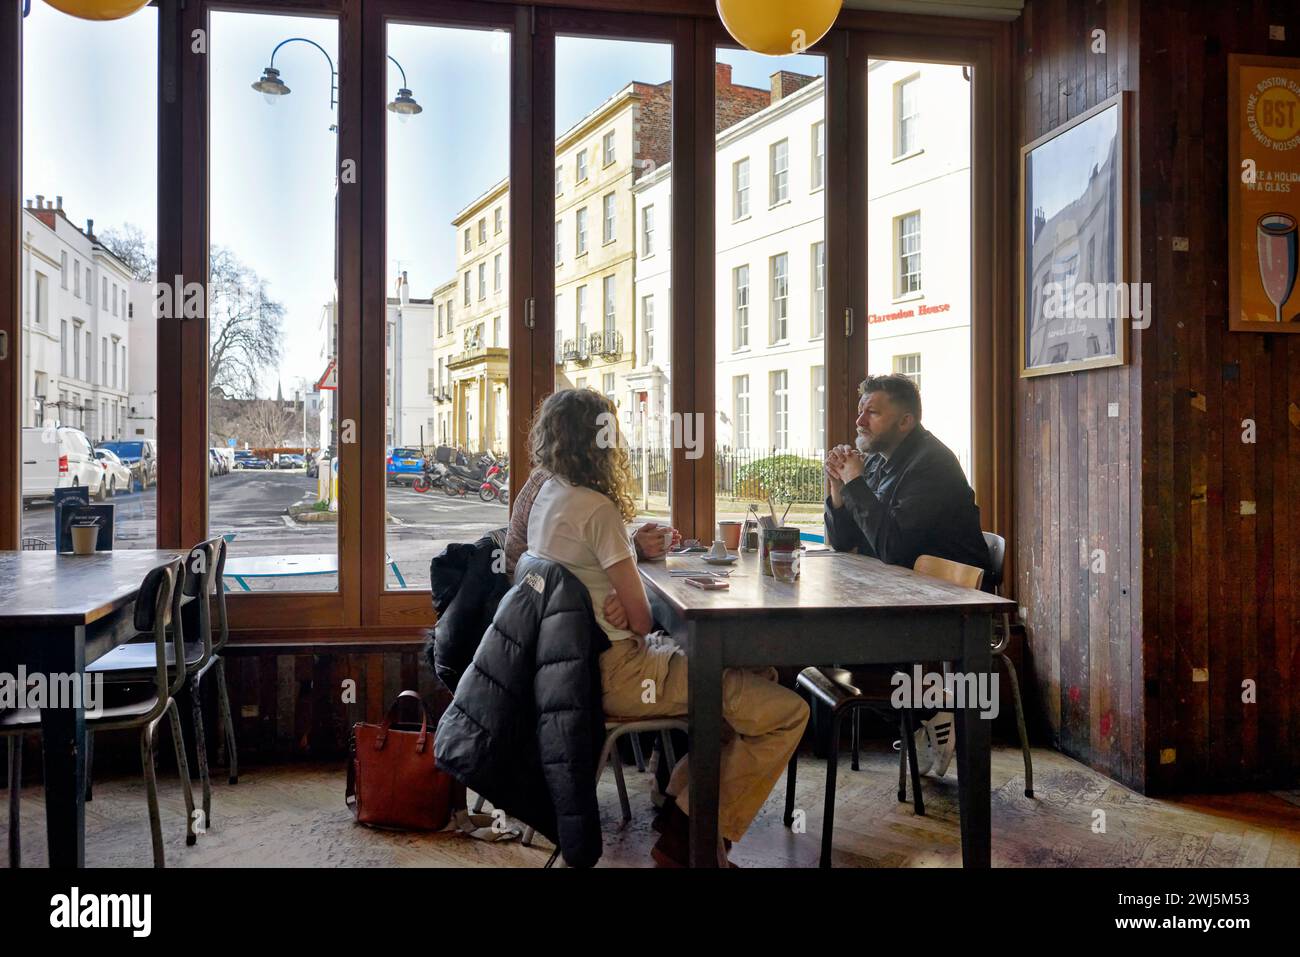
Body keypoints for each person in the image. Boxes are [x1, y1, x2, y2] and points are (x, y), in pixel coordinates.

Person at [523, 389, 809, 867]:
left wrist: (613, 588)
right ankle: (690, 835)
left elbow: (610, 593)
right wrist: (622, 595)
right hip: (625, 676)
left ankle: (681, 808)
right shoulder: (597, 509)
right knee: (787, 713)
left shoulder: (548, 496)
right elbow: (639, 618)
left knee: (757, 676)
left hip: (577, 671)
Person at [824, 373, 992, 777]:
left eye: (873, 412)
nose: (860, 420)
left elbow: (893, 548)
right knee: (832, 635)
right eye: (861, 410)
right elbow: (846, 542)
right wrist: (837, 490)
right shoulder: (882, 461)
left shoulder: (930, 464)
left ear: (905, 422)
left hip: (950, 602)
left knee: (847, 638)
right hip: (904, 589)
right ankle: (927, 714)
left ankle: (930, 712)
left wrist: (855, 482)